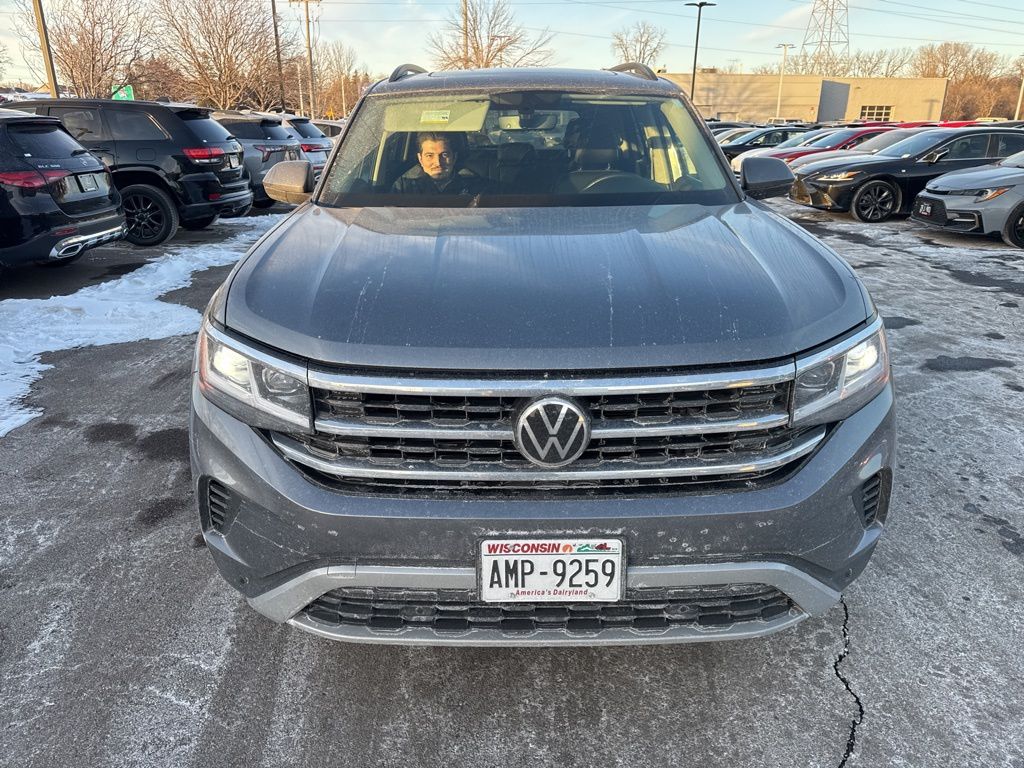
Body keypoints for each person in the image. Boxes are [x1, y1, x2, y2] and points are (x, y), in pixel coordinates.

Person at [391, 132, 491, 195]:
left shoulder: (475, 185)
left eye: (444, 155)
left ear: (454, 157)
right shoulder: (404, 186)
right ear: (420, 159)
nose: (438, 162)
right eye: (430, 156)